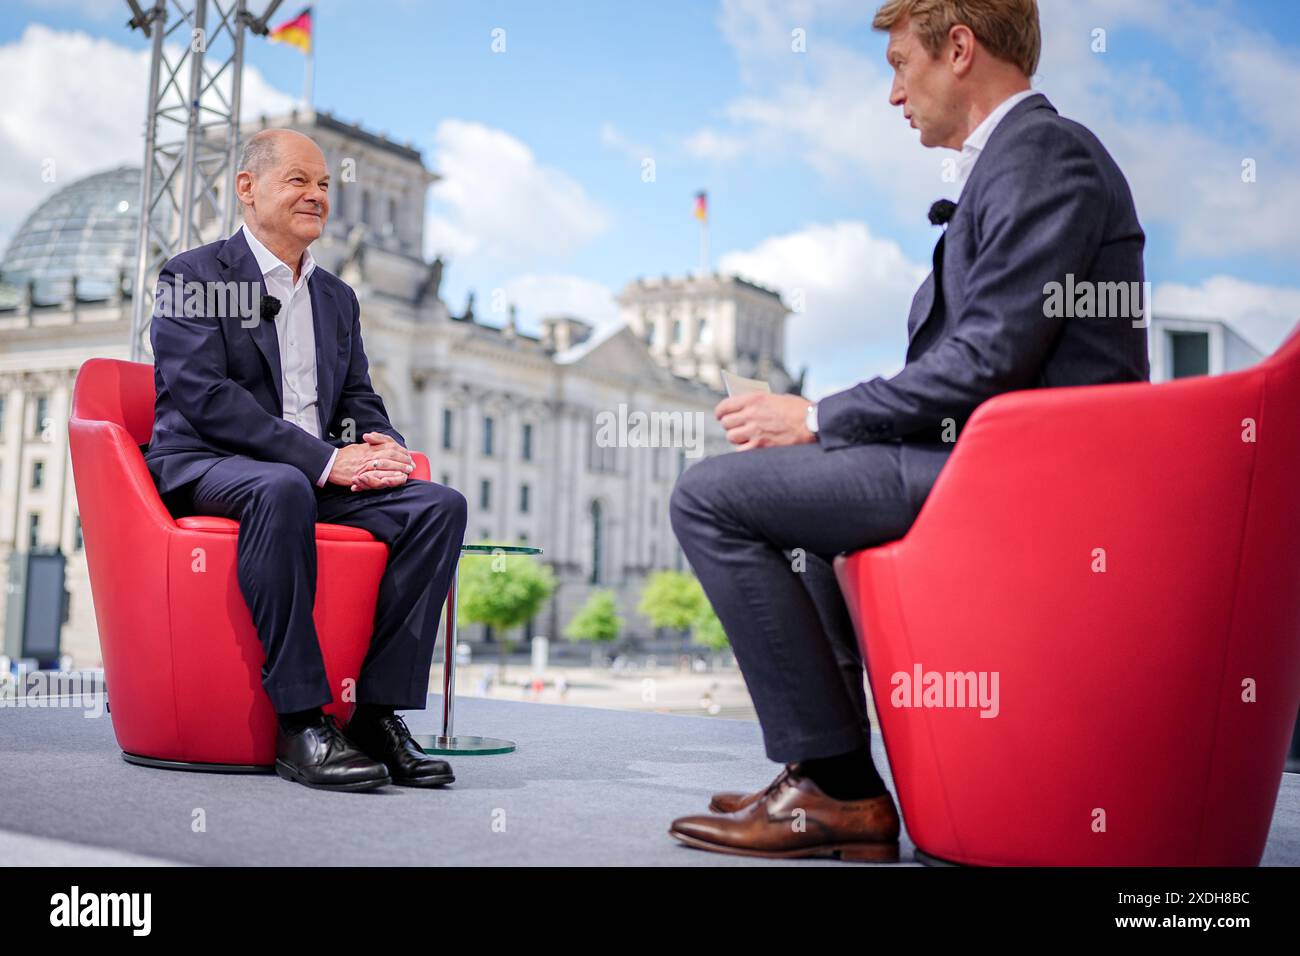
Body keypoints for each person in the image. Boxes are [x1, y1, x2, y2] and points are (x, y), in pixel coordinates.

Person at [667, 0, 1149, 860]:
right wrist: (824, 434)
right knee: (796, 500)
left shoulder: (1044, 154)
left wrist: (816, 417)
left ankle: (842, 787)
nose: (892, 92)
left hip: (1026, 477)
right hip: (995, 463)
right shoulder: (1013, 163)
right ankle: (829, 779)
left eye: (899, 64)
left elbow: (989, 357)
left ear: (958, 49)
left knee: (710, 496)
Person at [144, 128, 469, 792]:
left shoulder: (336, 297)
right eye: (298, 181)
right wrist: (324, 461)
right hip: (211, 464)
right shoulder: (194, 275)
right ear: (247, 189)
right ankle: (300, 723)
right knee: (283, 487)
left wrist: (377, 444)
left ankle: (375, 717)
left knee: (437, 508)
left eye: (324, 185)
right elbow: (207, 399)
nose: (316, 195)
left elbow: (354, 395)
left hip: (307, 471)